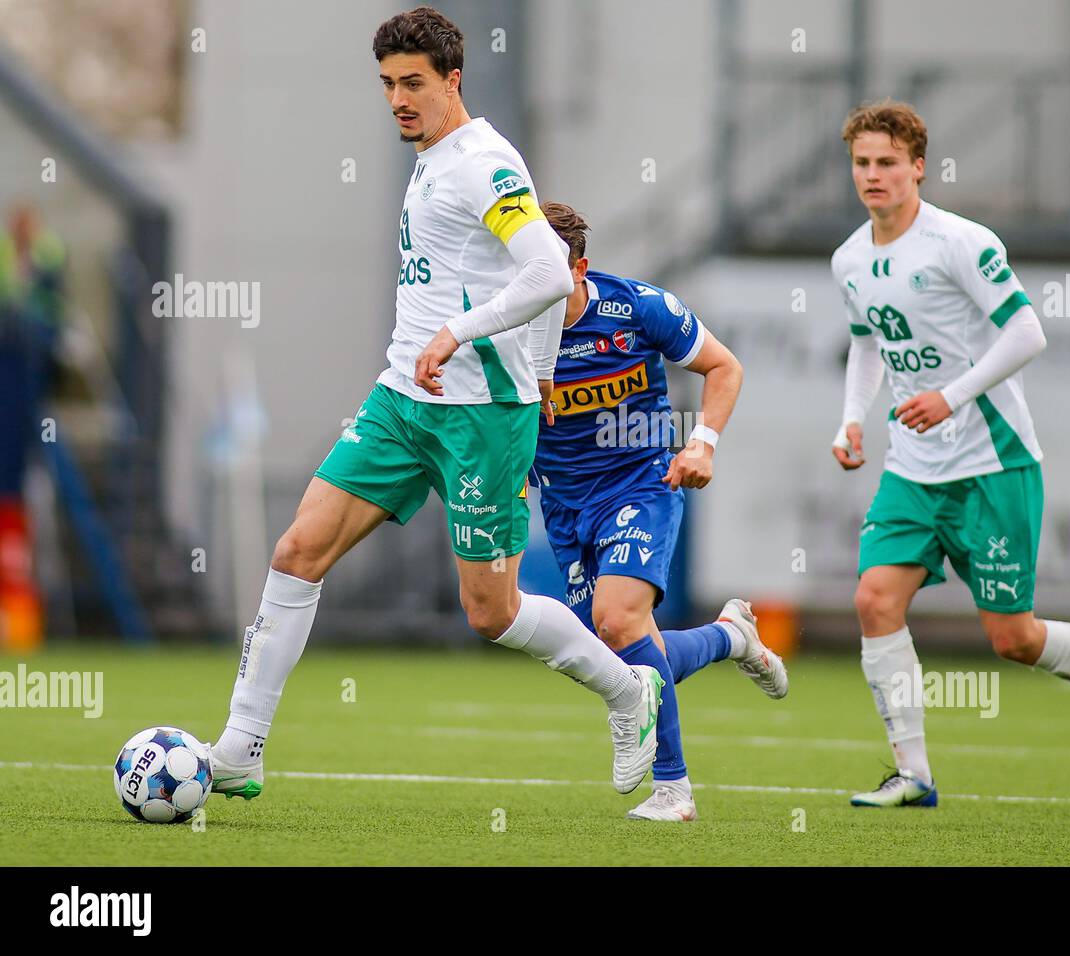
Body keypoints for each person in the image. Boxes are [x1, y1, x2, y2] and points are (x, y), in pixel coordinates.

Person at [207, 7, 662, 802]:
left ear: (454, 78)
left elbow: (552, 273)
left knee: (491, 612)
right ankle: (242, 747)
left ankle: (628, 690)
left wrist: (464, 333)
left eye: (413, 83)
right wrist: (545, 369)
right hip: (400, 400)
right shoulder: (432, 154)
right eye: (387, 84)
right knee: (296, 552)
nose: (398, 100)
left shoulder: (483, 164)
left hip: (482, 416)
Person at [830, 100, 1070, 808]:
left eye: (887, 163)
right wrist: (850, 420)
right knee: (873, 599)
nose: (873, 176)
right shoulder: (849, 259)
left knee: (1012, 639)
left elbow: (1026, 333)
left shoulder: (959, 242)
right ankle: (914, 773)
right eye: (862, 163)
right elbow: (867, 341)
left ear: (918, 167)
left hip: (993, 461)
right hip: (913, 467)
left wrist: (951, 396)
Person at [535, 202, 788, 821]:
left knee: (619, 621)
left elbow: (724, 366)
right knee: (617, 649)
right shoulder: (505, 328)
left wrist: (702, 441)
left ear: (580, 268)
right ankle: (731, 638)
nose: (536, 283)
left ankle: (674, 790)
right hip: (563, 503)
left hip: (637, 483)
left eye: (550, 269)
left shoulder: (637, 307)